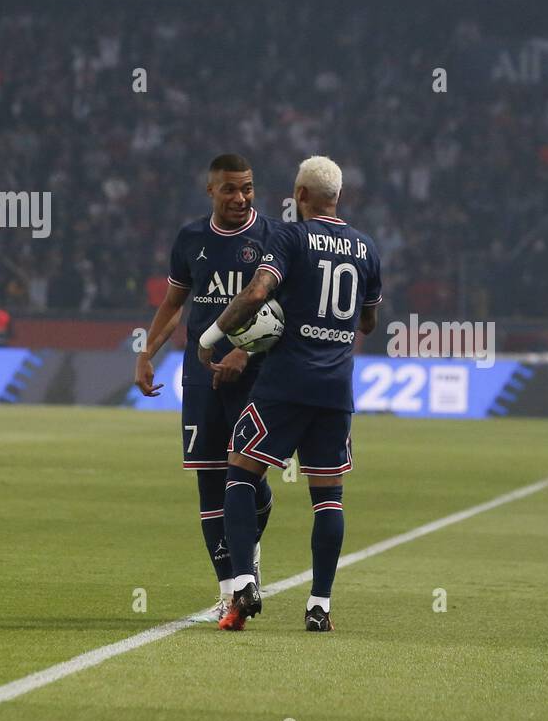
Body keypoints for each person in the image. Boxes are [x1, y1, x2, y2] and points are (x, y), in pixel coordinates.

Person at [198, 155, 382, 632]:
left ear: (300, 195)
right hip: (335, 390)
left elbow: (259, 292)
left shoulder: (290, 236)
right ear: (337, 197)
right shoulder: (366, 248)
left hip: (284, 385)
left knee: (239, 471)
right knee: (328, 498)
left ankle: (242, 584)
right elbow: (368, 320)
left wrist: (213, 337)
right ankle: (319, 606)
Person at [135, 154, 283, 623]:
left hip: (256, 379)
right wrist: (147, 351)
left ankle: (246, 552)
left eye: (248, 188)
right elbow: (174, 302)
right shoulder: (191, 239)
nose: (241, 198)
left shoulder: (273, 238)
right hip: (201, 377)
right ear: (211, 191)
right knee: (209, 481)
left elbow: (286, 311)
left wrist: (246, 352)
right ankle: (230, 589)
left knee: (250, 481)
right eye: (230, 190)